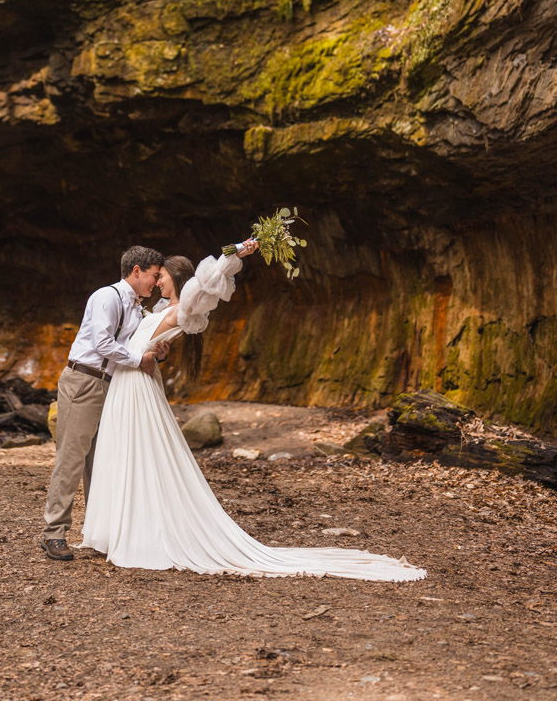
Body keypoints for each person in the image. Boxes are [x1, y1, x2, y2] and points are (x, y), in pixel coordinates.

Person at [81, 242, 426, 582]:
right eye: (155, 276)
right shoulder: (158, 310)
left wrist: (235, 254)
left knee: (141, 456)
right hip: (129, 381)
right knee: (125, 453)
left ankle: (140, 533)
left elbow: (204, 286)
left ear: (178, 278)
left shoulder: (181, 307)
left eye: (162, 276)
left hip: (137, 386)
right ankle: (119, 529)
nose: (157, 281)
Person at [41, 244, 167, 562]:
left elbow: (131, 343)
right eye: (153, 276)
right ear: (136, 271)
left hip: (110, 386)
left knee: (101, 461)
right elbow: (102, 342)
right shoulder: (106, 297)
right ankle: (53, 533)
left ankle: (102, 532)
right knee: (71, 459)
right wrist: (139, 360)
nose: (155, 282)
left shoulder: (137, 308)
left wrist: (155, 352)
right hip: (84, 382)